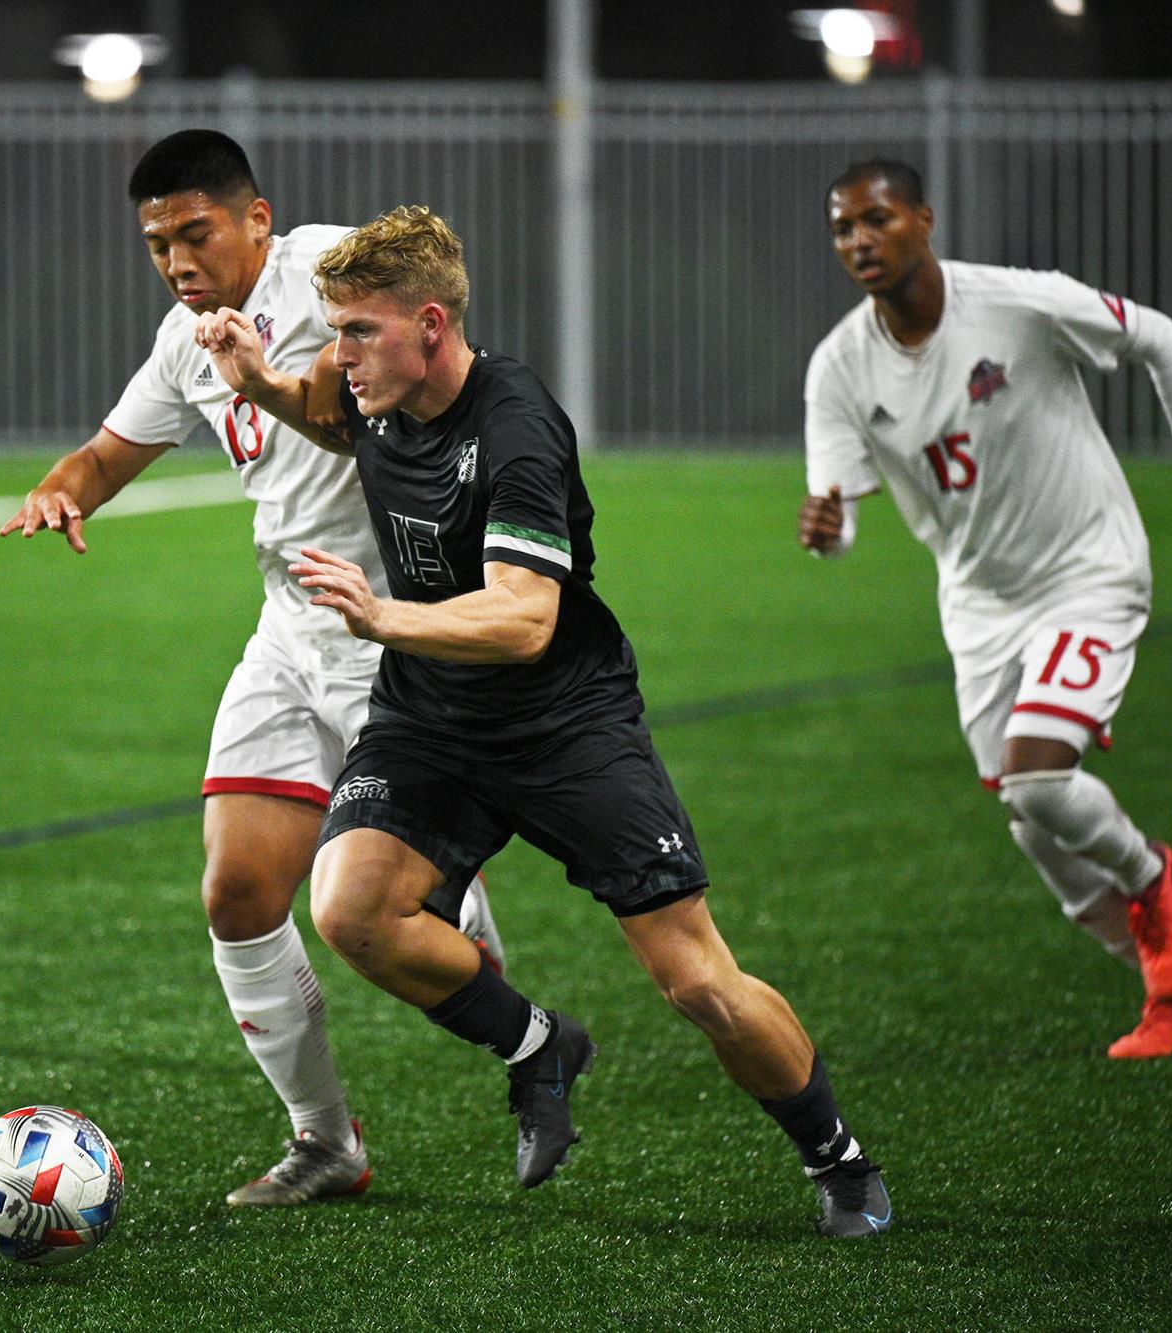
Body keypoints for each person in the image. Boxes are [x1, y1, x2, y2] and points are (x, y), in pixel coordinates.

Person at [195, 205, 891, 1238]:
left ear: (429, 325)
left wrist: (383, 614)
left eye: (357, 331)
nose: (337, 354)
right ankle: (536, 1046)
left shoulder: (513, 426)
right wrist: (253, 382)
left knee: (693, 978)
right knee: (350, 911)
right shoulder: (366, 389)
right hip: (431, 715)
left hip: (562, 724)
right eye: (331, 330)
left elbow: (523, 620)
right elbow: (334, 418)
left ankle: (834, 1155)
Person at [0, 131, 504, 1208]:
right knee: (235, 891)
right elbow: (105, 454)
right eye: (156, 244)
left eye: (195, 233)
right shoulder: (184, 338)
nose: (177, 261)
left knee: (395, 916)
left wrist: (260, 374)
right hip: (286, 626)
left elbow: (345, 420)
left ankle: (506, 1008)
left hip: (393, 627)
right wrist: (62, 492)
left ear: (256, 220)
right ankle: (325, 1142)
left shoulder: (331, 274)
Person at [800, 160, 1172, 1059]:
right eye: (844, 228)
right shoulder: (839, 368)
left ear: (923, 219)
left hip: (1090, 569)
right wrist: (829, 529)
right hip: (978, 608)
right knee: (1033, 819)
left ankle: (1153, 880)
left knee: (1041, 774)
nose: (859, 241)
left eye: (877, 220)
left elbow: (1157, 336)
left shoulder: (1017, 303)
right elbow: (840, 523)